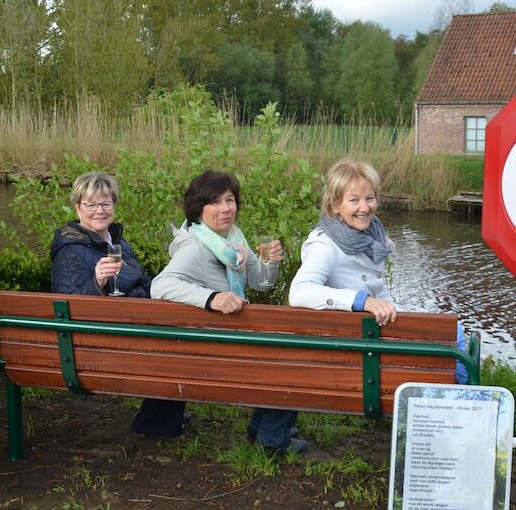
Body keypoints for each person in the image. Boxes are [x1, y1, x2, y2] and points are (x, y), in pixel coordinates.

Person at [150, 170, 307, 454]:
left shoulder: (232, 240)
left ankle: (265, 425)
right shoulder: (195, 248)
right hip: (212, 346)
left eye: (230, 200)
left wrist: (267, 261)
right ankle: (272, 439)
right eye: (215, 203)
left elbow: (261, 283)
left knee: (288, 344)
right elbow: (160, 285)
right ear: (198, 210)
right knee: (293, 355)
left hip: (229, 335)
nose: (226, 209)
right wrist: (211, 298)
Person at [289, 160, 468, 383]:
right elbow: (299, 292)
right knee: (453, 336)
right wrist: (361, 301)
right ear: (335, 205)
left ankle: (457, 399)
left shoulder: (370, 238)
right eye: (354, 200)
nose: (364, 207)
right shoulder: (325, 245)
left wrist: (407, 319)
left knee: (450, 331)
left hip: (371, 338)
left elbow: (381, 295)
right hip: (354, 351)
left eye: (369, 198)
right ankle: (461, 400)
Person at [49, 172, 186, 437]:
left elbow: (144, 284)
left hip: (134, 326)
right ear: (78, 207)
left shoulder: (117, 242)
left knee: (180, 332)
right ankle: (154, 423)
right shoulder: (70, 252)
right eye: (91, 204)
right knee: (174, 349)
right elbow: (70, 309)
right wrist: (96, 283)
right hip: (103, 342)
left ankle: (162, 414)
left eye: (106, 204)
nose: (99, 211)